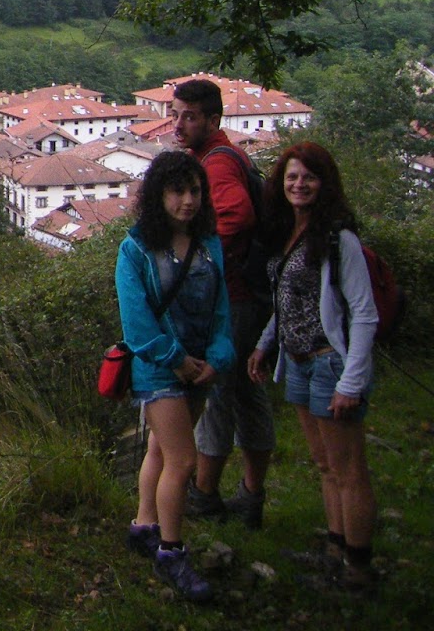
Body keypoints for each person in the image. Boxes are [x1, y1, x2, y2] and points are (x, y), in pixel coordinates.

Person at [248, 142, 378, 591]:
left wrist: (352, 381)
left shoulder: (339, 239)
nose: (299, 185)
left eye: (308, 177)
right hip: (299, 365)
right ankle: (335, 548)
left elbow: (363, 313)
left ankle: (358, 568)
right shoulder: (289, 232)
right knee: (324, 466)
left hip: (330, 365)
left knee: (349, 470)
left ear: (325, 184)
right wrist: (265, 345)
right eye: (291, 177)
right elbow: (290, 302)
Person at [116, 150, 234, 603]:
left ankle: (145, 526)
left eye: (195, 191)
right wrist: (178, 359)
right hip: (160, 368)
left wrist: (217, 357)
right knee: (184, 461)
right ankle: (171, 551)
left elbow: (221, 309)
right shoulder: (136, 250)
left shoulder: (209, 244)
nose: (187, 200)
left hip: (202, 366)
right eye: (177, 191)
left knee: (161, 451)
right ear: (157, 195)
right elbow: (138, 323)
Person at [170, 77, 276, 527]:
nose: (178, 124)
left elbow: (236, 215)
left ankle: (205, 492)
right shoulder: (221, 156)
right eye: (175, 114)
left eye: (189, 116)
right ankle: (252, 493)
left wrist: (196, 263)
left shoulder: (216, 164)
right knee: (248, 393)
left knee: (217, 392)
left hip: (234, 296)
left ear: (213, 119)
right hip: (249, 293)